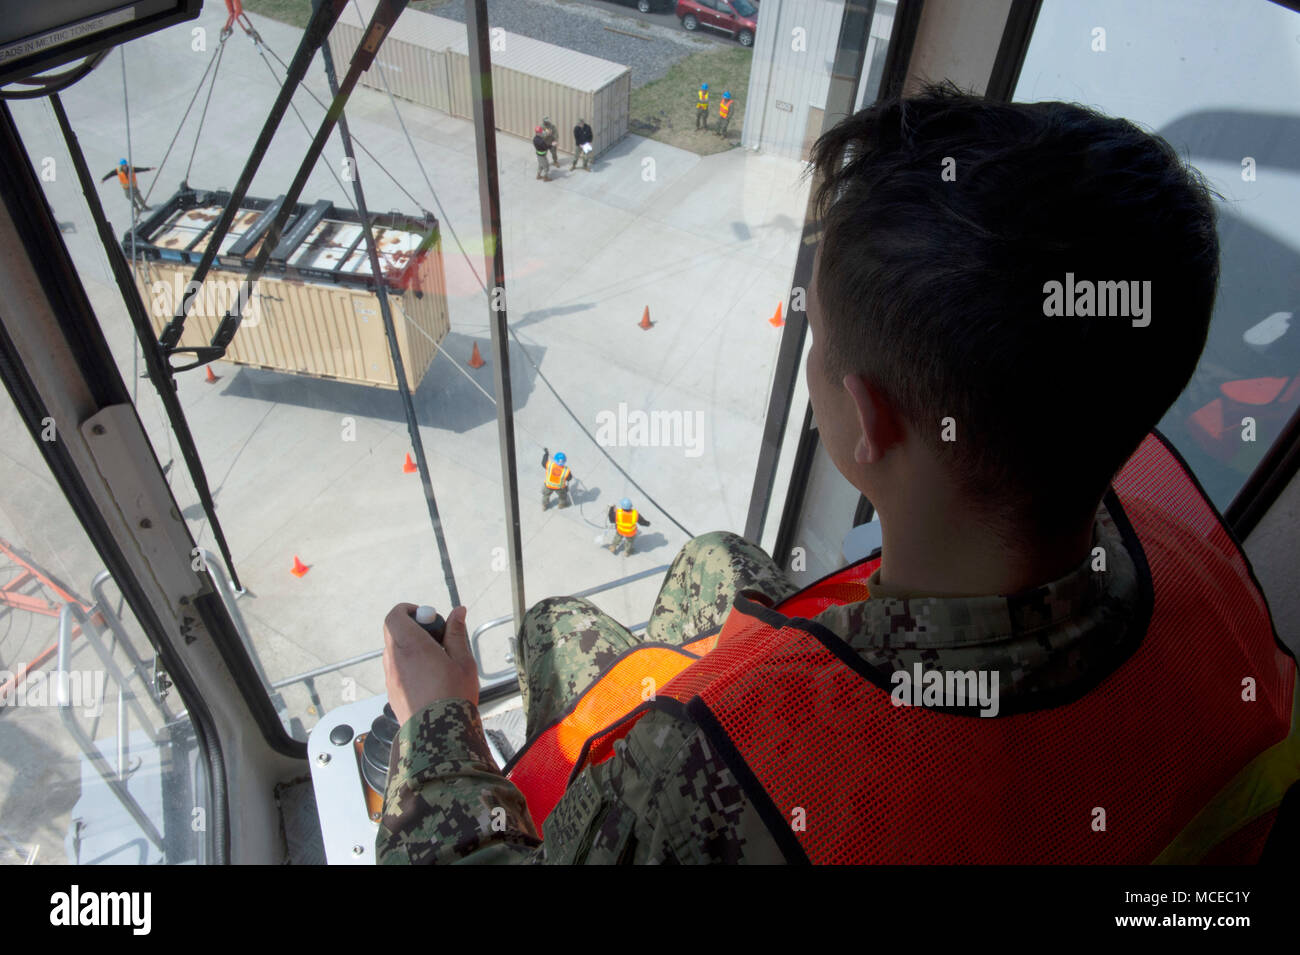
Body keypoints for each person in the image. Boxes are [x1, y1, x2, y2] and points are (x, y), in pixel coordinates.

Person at [377, 83, 1295, 864]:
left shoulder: (699, 782)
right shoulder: (1210, 587)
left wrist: (437, 722)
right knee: (718, 561)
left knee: (553, 628)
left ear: (868, 420)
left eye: (815, 340)